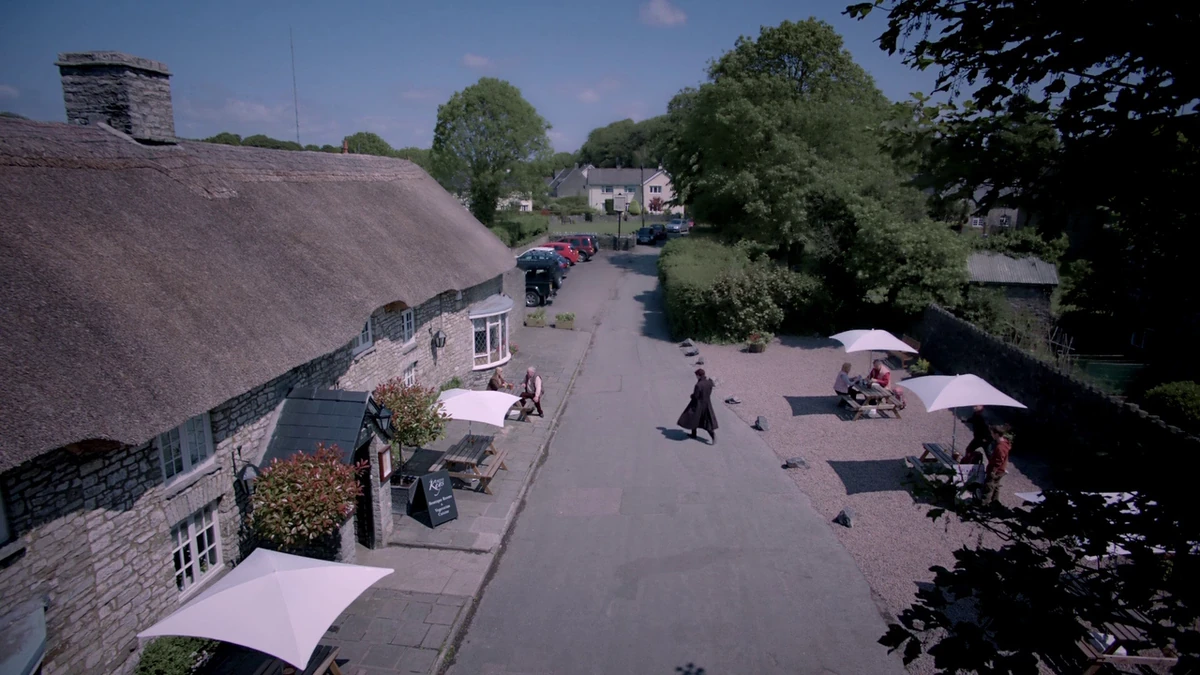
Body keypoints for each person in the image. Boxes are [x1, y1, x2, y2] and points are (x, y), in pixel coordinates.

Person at [677, 368, 718, 444]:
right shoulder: (709, 383)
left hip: (698, 404)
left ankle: (694, 434)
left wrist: (691, 396)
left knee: (693, 418)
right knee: (706, 421)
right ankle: (712, 435)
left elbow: (696, 396)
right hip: (707, 404)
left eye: (696, 375)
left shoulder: (698, 385)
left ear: (698, 375)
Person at [981, 424, 1012, 505]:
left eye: (992, 433)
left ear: (997, 434)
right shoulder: (1005, 443)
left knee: (988, 487)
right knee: (996, 487)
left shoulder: (1000, 447)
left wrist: (992, 471)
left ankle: (984, 505)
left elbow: (998, 461)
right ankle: (995, 503)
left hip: (995, 471)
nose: (991, 435)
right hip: (1001, 470)